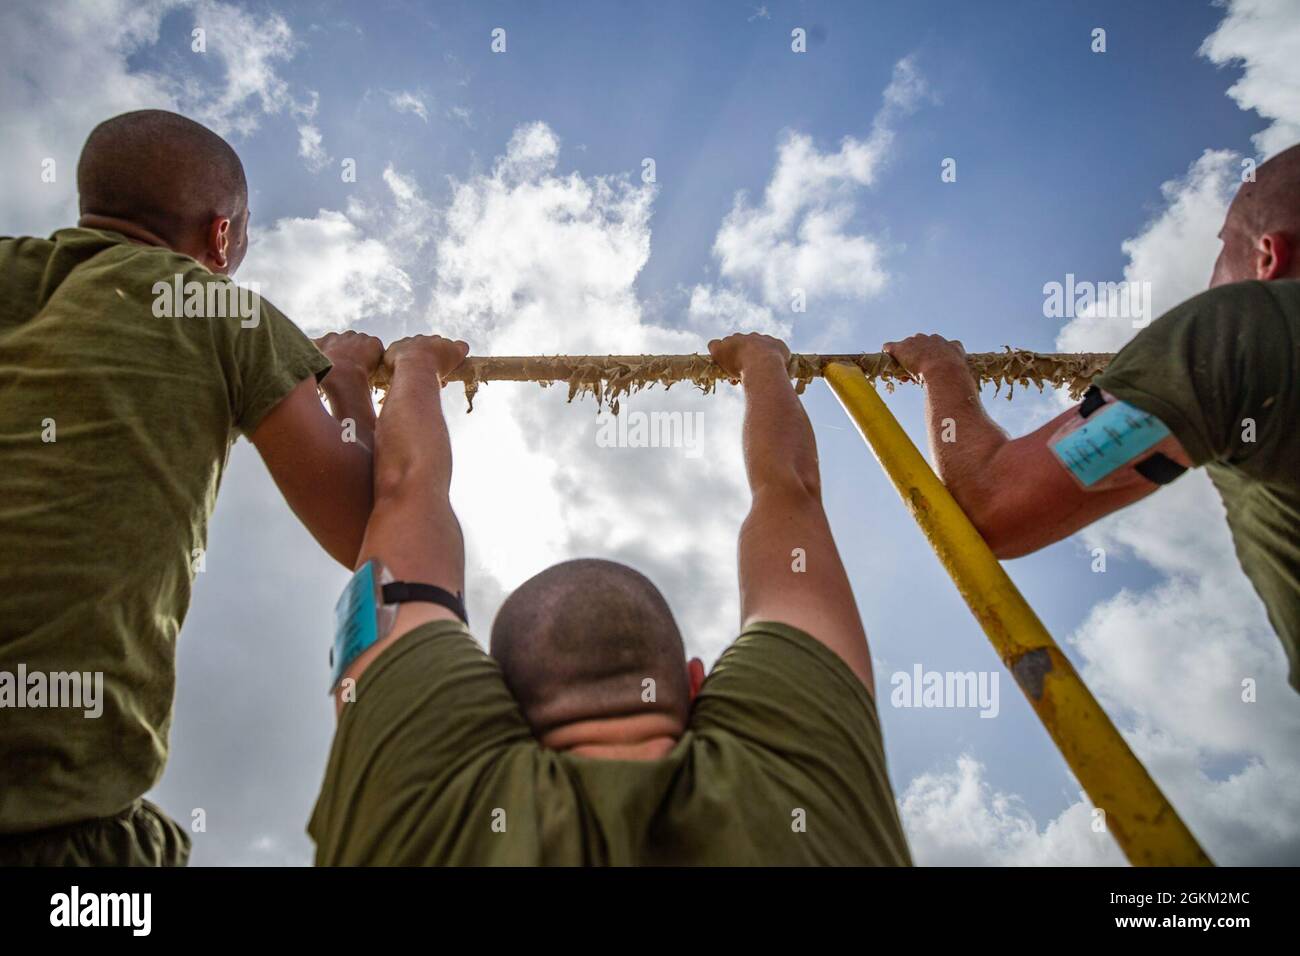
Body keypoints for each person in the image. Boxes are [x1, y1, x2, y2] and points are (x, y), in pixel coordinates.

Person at [309, 332, 912, 865]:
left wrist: (408, 365)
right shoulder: (797, 784)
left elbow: (400, 491)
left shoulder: (429, 796)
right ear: (696, 684)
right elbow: (792, 491)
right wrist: (763, 360)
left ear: (495, 701)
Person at [0, 110, 382, 864]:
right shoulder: (217, 307)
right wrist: (346, 386)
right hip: (54, 829)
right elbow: (366, 528)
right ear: (220, 238)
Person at [883, 143, 1300, 691]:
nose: (1213, 272)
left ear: (1267, 255)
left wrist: (940, 370)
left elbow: (992, 508)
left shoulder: (1246, 326)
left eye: (1224, 249)